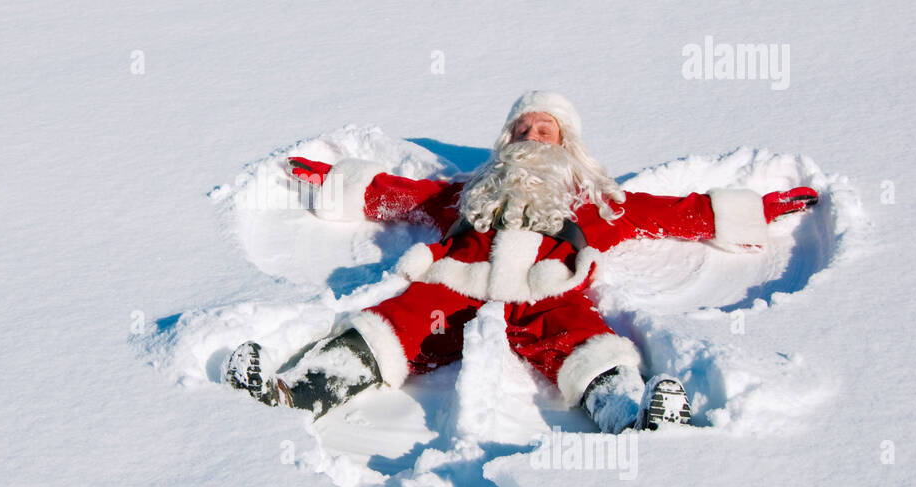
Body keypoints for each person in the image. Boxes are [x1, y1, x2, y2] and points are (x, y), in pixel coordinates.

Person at [223, 91, 818, 432]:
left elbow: (678, 211)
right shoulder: (472, 191)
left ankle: (634, 415)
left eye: (547, 128)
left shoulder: (593, 201)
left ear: (566, 144)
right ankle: (294, 391)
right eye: (524, 126)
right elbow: (398, 194)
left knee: (583, 337)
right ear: (508, 141)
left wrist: (756, 211)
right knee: (400, 318)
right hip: (456, 285)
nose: (534, 134)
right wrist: (333, 183)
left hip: (548, 292)